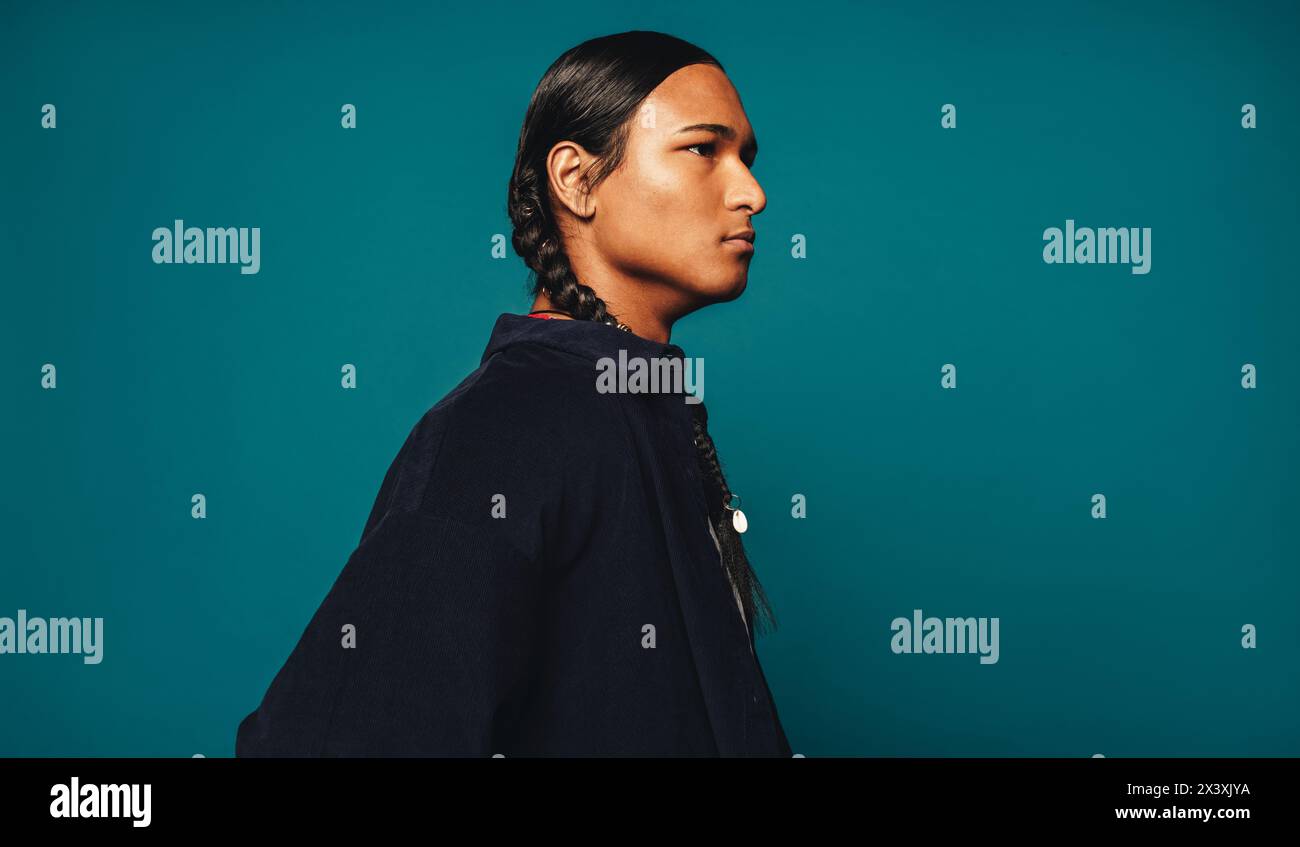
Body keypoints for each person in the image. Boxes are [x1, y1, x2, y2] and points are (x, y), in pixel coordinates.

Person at [236, 30, 790, 757]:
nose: (752, 191)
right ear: (577, 179)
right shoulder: (507, 426)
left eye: (746, 157)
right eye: (702, 149)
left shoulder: (647, 408)